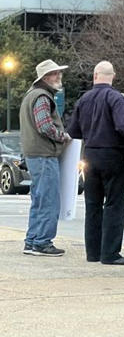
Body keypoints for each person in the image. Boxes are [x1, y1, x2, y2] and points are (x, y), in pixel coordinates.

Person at [68, 61, 124, 265]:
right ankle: (110, 253)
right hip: (112, 155)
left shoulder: (84, 99)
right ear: (113, 76)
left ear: (94, 76)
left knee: (92, 204)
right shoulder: (115, 98)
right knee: (114, 205)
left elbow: (73, 131)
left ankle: (93, 252)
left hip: (90, 155)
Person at [20, 59, 71, 257]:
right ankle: (42, 242)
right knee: (49, 200)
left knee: (39, 199)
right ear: (45, 78)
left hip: (34, 154)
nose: (58, 76)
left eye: (58, 73)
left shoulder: (31, 95)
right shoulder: (42, 97)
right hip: (44, 155)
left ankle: (32, 241)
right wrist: (63, 137)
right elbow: (45, 126)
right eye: (54, 73)